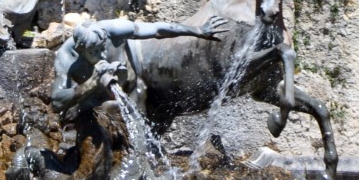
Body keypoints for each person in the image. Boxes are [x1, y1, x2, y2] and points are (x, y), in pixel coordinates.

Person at [51, 14, 227, 115]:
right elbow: (57, 102)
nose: (103, 54)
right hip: (91, 112)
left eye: (102, 48)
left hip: (131, 97)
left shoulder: (113, 29)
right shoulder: (66, 58)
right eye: (95, 52)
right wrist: (91, 83)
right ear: (81, 51)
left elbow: (157, 30)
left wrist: (198, 31)